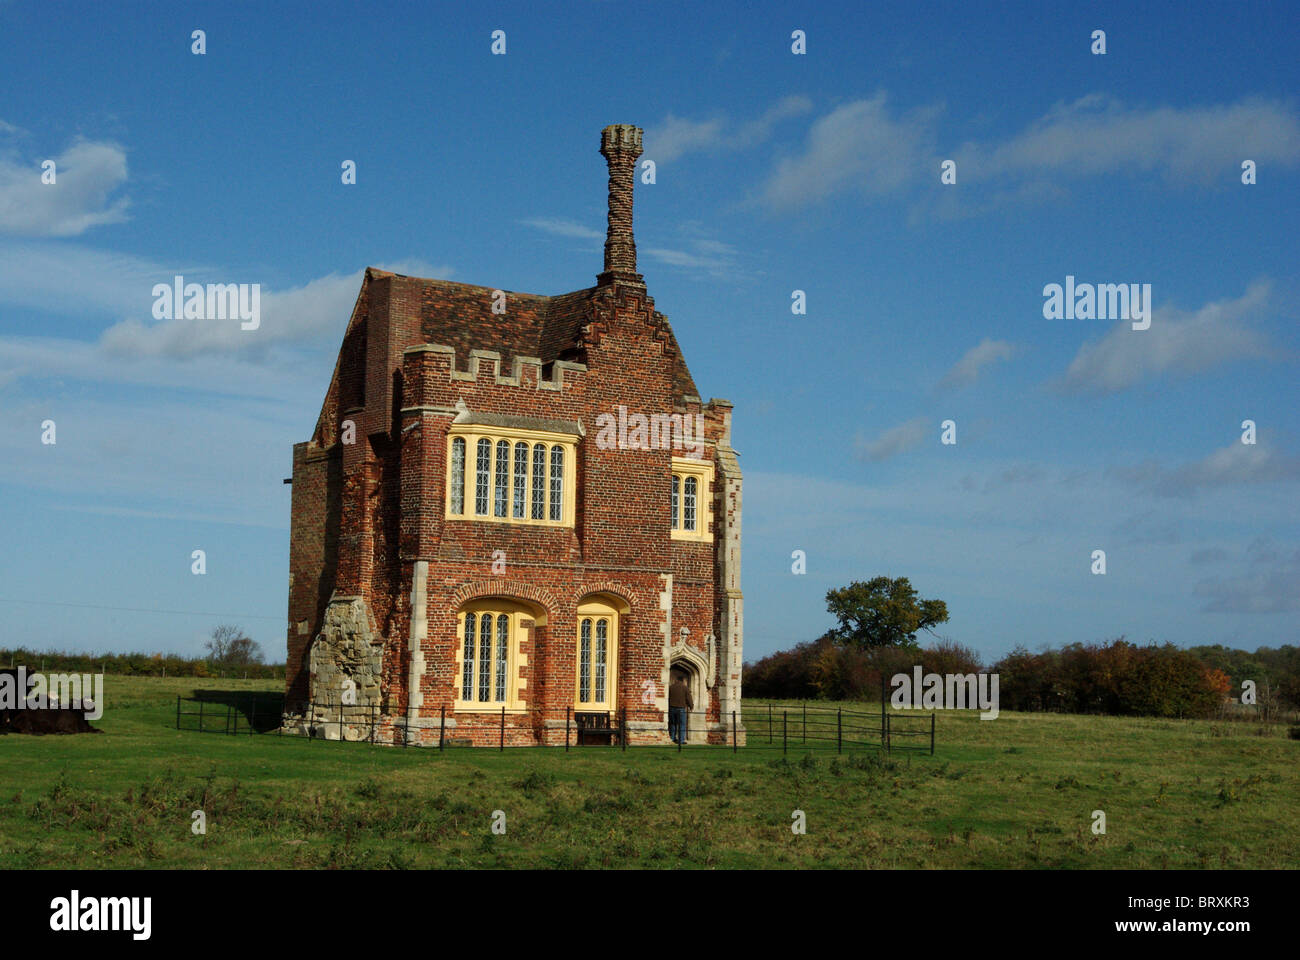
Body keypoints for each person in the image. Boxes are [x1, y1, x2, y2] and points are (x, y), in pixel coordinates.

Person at [668, 674, 693, 744]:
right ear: (683, 680)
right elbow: (689, 698)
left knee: (673, 724)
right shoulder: (685, 688)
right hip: (681, 709)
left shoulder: (670, 687)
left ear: (676, 680)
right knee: (682, 724)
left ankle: (672, 738)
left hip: (671, 708)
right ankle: (681, 740)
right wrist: (691, 706)